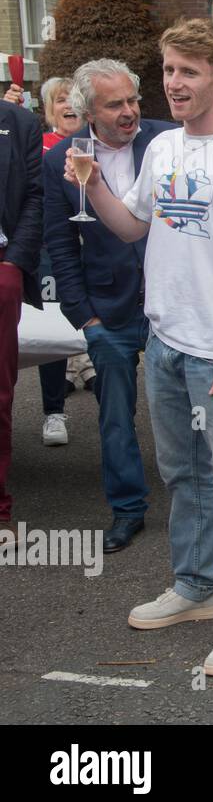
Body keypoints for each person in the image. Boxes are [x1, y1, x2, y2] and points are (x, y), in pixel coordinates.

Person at [71, 18, 213, 677]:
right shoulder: (163, 149)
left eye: (188, 72)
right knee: (184, 476)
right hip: (164, 344)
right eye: (167, 71)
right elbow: (134, 226)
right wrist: (92, 184)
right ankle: (198, 587)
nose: (173, 83)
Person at [43, 59, 179, 553]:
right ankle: (127, 509)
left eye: (132, 100)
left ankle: (204, 505)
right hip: (109, 310)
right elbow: (59, 243)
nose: (129, 112)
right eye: (115, 104)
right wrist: (85, 317)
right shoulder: (60, 158)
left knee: (188, 411)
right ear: (87, 111)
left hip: (170, 301)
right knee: (116, 416)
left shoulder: (166, 140)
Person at [13, 76, 87, 446]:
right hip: (50, 251)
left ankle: (116, 410)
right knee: (52, 328)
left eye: (74, 97)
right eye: (60, 99)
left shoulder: (96, 144)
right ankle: (54, 411)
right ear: (47, 109)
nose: (68, 104)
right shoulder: (39, 146)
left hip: (95, 251)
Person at [0, 98, 44, 542]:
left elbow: (34, 196)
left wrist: (14, 265)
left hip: (1, 266)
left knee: (0, 392)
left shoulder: (17, 121)